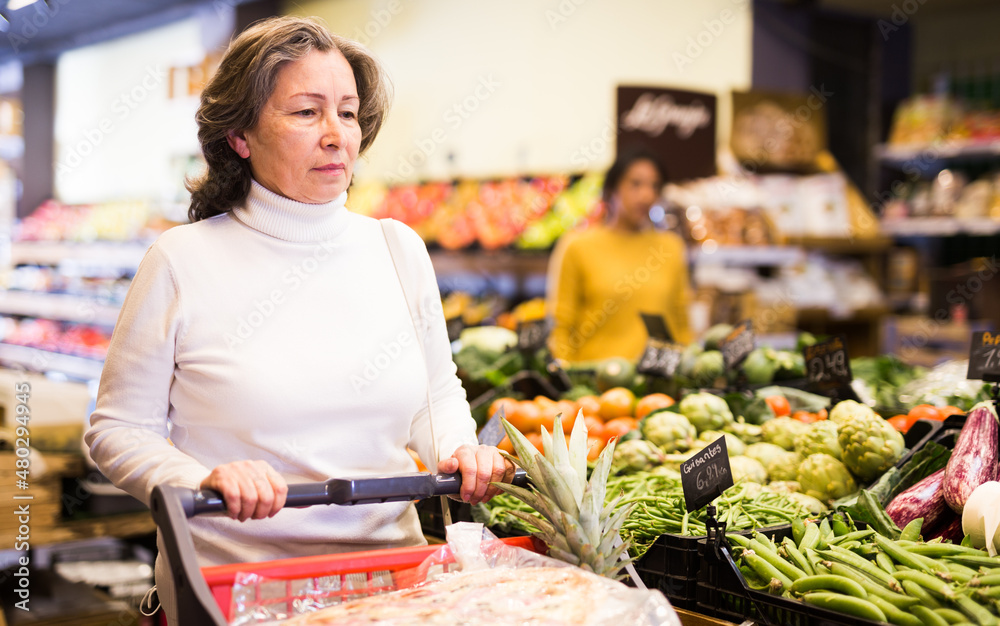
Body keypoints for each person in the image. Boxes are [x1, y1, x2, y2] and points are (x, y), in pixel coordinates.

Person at [84, 16, 512, 625]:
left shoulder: (397, 247)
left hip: (395, 586)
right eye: (307, 113)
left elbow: (432, 396)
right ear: (240, 135)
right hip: (238, 593)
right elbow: (117, 430)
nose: (337, 136)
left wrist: (459, 448)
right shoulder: (180, 262)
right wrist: (202, 477)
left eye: (348, 112)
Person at [547, 149, 693, 362]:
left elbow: (681, 324)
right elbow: (561, 324)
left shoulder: (670, 248)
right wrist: (568, 379)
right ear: (611, 189)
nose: (647, 195)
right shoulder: (578, 246)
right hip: (593, 384)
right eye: (635, 184)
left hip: (657, 387)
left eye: (655, 186)